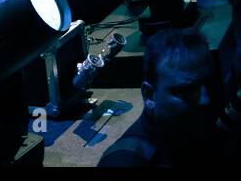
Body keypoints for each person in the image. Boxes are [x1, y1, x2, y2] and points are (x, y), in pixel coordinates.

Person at [98, 27, 232, 166]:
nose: (206, 100)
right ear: (150, 96)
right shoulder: (124, 161)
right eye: (185, 91)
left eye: (208, 83)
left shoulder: (191, 129)